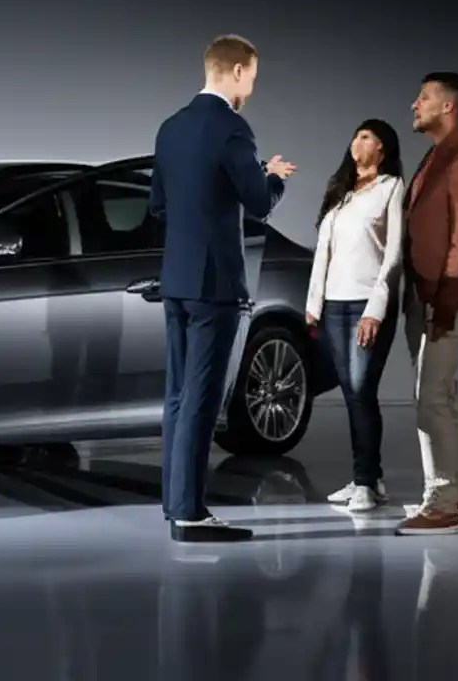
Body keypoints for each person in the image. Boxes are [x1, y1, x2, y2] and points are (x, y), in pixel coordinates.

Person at [149, 34, 295, 542]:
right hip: (214, 285)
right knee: (203, 400)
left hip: (176, 281)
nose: (252, 85)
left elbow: (160, 206)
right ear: (235, 71)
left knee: (176, 396)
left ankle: (175, 505)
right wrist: (273, 176)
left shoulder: (170, 129)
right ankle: (190, 514)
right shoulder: (233, 129)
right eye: (252, 74)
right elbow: (258, 202)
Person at [395, 71, 458, 536]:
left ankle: (442, 504)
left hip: (445, 297)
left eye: (424, 97)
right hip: (425, 295)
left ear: (448, 106)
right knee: (446, 392)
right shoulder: (437, 156)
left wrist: (446, 301)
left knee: (429, 398)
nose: (415, 104)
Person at [305, 119, 406, 513]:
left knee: (362, 390)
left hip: (367, 305)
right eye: (356, 134)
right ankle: (369, 478)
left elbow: (394, 254)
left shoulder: (391, 188)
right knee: (352, 395)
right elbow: (323, 255)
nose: (356, 141)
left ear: (382, 148)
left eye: (366, 136)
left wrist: (376, 311)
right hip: (333, 307)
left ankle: (366, 481)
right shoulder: (341, 194)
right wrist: (313, 307)